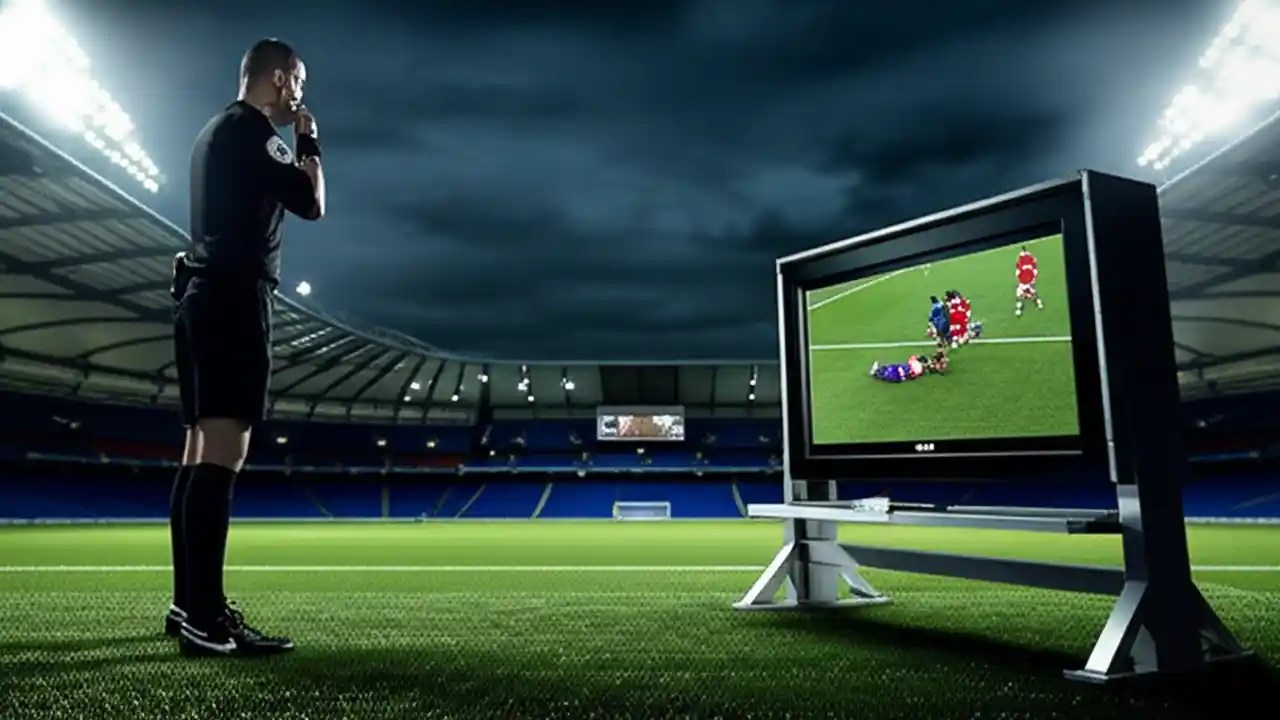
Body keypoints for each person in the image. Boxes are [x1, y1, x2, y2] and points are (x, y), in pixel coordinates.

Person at [167, 37, 325, 657]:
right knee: (223, 455)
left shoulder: (213, 131)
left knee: (196, 452)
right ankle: (207, 617)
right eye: (300, 84)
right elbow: (312, 202)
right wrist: (309, 140)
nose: (300, 96)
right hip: (233, 299)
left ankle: (188, 605)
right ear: (281, 79)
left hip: (198, 296)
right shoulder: (258, 131)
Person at [1015, 246, 1043, 316]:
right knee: (1032, 294)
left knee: (1020, 296)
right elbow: (1034, 267)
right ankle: (1039, 304)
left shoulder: (1021, 259)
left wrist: (1018, 276)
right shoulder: (1030, 257)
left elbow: (1018, 269)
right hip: (1030, 280)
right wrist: (1033, 278)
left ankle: (1019, 309)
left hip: (1024, 281)